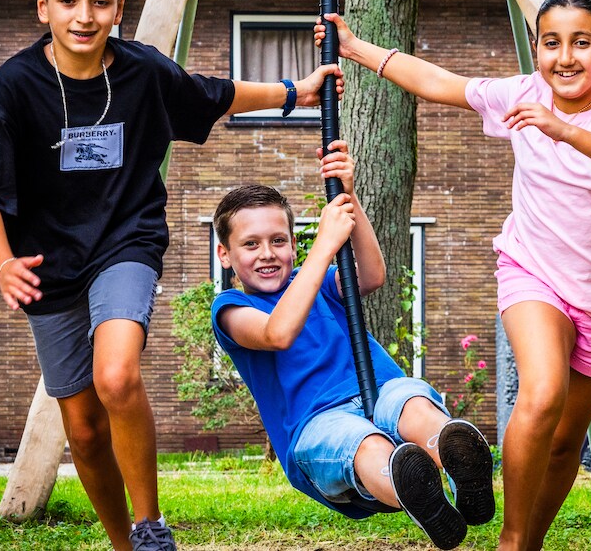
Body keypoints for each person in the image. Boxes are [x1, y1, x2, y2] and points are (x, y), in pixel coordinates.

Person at [0, 0, 341, 550]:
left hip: (124, 243)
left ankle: (150, 522)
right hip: (47, 263)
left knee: (117, 375)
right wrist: (1, 264)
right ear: (43, 6)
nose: (85, 15)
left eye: (100, 1)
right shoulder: (15, 87)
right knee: (81, 427)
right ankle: (125, 544)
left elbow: (214, 96)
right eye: (70, 0)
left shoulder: (139, 72)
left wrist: (295, 92)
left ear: (119, 6)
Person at [316, 0, 591, 550]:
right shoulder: (522, 93)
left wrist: (565, 129)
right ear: (536, 47)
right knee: (543, 391)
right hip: (535, 272)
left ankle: (528, 542)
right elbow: (440, 83)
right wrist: (357, 49)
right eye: (551, 43)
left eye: (582, 43)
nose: (565, 57)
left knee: (563, 440)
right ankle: (509, 539)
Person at [210, 141, 495, 551]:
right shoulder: (232, 308)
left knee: (411, 401)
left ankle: (457, 462)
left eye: (278, 240)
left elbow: (372, 275)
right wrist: (324, 245)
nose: (268, 254)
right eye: (251, 244)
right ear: (225, 254)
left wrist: (349, 197)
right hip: (318, 423)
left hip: (378, 390)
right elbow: (278, 333)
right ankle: (414, 490)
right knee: (363, 445)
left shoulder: (320, 284)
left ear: (293, 244)